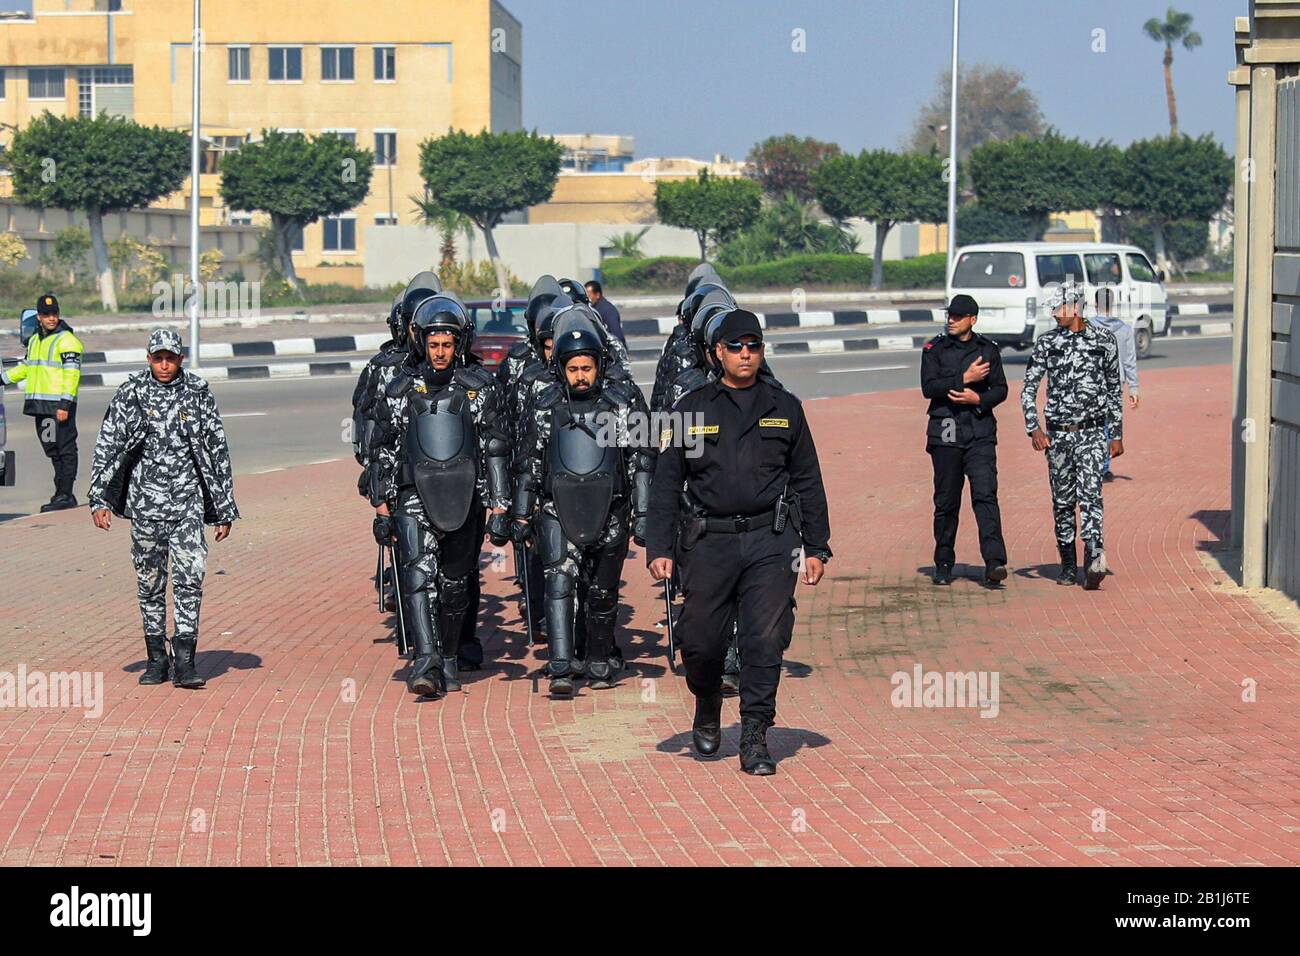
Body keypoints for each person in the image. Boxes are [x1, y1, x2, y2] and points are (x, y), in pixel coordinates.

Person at [646, 308, 831, 776]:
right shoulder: (691, 408)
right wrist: (659, 548)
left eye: (753, 346)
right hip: (708, 542)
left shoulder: (784, 406)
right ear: (717, 353)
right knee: (701, 641)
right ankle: (707, 700)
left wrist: (816, 545)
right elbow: (667, 482)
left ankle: (754, 735)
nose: (745, 354)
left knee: (764, 639)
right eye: (736, 347)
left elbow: (808, 478)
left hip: (772, 540)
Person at [370, 292, 511, 699]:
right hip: (414, 493)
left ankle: (448, 655)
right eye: (433, 344)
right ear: (420, 342)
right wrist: (382, 507)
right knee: (418, 576)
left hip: (466, 495)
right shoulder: (398, 391)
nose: (440, 353)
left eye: (447, 344)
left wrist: (500, 505)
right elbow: (382, 450)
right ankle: (426, 660)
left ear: (460, 343)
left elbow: (496, 448)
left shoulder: (481, 388)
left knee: (455, 584)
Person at [87, 329, 239, 689]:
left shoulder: (198, 392)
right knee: (150, 585)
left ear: (181, 358)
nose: (165, 364)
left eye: (171, 357)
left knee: (190, 581)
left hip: (188, 504)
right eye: (158, 358)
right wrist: (99, 498)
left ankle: (186, 661)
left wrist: (224, 507)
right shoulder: (132, 393)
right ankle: (156, 659)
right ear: (149, 358)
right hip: (145, 506)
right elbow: (108, 444)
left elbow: (218, 449)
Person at [510, 316, 653, 696]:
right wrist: (521, 514)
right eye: (572, 368)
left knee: (602, 591)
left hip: (611, 506)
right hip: (557, 504)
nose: (580, 375)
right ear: (560, 368)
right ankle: (560, 665)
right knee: (559, 582)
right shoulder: (545, 405)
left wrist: (643, 514)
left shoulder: (622, 402)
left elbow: (642, 458)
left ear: (599, 365)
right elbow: (529, 460)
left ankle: (599, 659)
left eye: (586, 367)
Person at [1021, 280, 1124, 590]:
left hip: (1092, 433)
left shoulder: (1104, 341)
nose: (1054, 314)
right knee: (1063, 501)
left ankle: (1094, 557)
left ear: (1076, 308)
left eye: (1059, 308)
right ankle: (1067, 562)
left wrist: (1115, 434)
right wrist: (1033, 428)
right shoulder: (1046, 343)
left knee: (1091, 495)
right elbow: (1028, 388)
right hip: (1059, 437)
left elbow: (1113, 389)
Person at [919, 294, 1009, 587]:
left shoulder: (988, 349)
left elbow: (1001, 389)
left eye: (958, 316)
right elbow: (929, 387)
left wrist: (978, 398)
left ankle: (994, 563)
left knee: (985, 496)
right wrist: (964, 378)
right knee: (946, 501)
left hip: (980, 433)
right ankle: (943, 562)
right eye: (949, 316)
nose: (951, 320)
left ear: (972, 319)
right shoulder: (935, 349)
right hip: (946, 432)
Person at [1, 294, 83, 511]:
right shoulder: (36, 340)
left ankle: (65, 494)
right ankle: (61, 494)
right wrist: (3, 379)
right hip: (41, 407)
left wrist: (65, 405)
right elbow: (27, 367)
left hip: (58, 406)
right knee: (52, 450)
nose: (51, 318)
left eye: (54, 313)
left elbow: (72, 375)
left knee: (65, 449)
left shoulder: (67, 340)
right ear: (38, 316)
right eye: (46, 314)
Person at [1088, 286, 1139, 483]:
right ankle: (1104, 467)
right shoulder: (1124, 329)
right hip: (1115, 382)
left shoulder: (1088, 327)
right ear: (1113, 304)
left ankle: (1095, 464)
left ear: (1095, 304)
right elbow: (1129, 361)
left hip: (1092, 382)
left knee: (1094, 422)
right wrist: (1134, 388)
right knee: (1110, 423)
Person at [584, 279, 626, 346]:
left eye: (589, 296)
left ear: (597, 295)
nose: (586, 299)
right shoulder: (589, 309)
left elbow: (617, 334)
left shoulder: (607, 310)